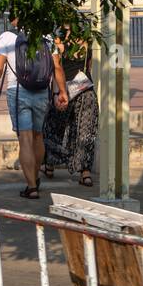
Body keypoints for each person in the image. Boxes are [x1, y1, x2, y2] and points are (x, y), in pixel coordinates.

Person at [0, 19, 68, 199]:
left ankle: (31, 186)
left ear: (15, 19)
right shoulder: (46, 36)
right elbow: (57, 67)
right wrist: (62, 91)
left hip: (18, 91)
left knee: (25, 138)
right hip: (41, 91)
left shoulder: (7, 37)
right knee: (38, 136)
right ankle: (35, 177)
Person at [42, 31, 98, 186]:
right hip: (86, 90)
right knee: (86, 133)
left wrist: (55, 94)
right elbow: (89, 66)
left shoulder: (58, 42)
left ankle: (50, 165)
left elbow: (56, 69)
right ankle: (85, 173)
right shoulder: (87, 41)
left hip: (64, 91)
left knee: (53, 127)